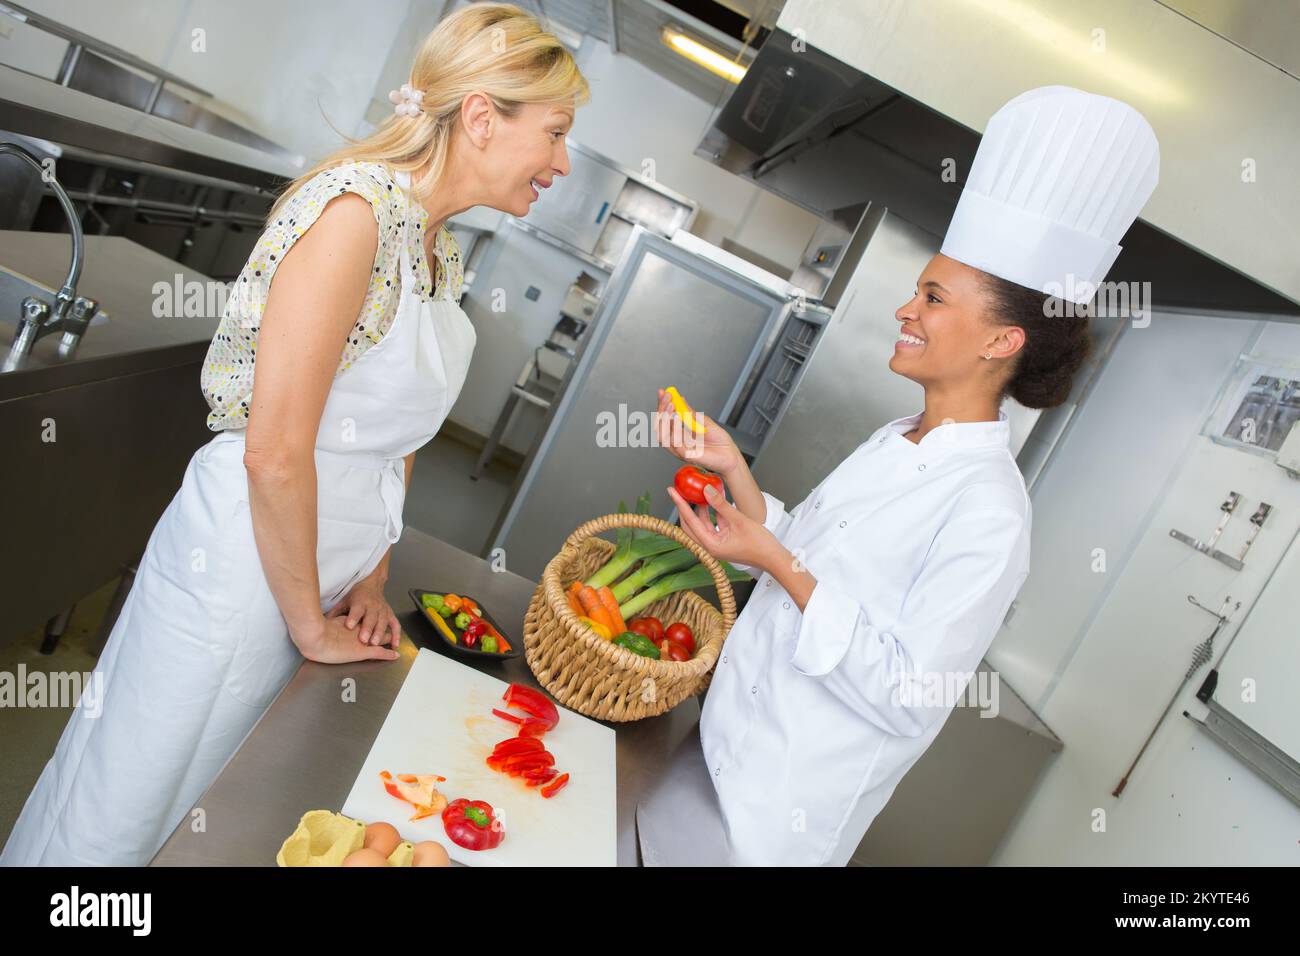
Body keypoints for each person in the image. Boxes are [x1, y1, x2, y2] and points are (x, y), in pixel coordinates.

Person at [1, 2, 587, 867]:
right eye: (557, 133)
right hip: (244, 568)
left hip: (327, 566)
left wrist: (371, 576)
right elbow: (275, 449)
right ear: (480, 116)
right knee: (129, 800)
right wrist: (309, 625)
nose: (564, 163)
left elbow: (401, 428)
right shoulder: (354, 217)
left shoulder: (437, 248)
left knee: (215, 805)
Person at [657, 86, 1160, 865]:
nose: (905, 309)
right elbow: (813, 556)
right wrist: (735, 472)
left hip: (768, 817)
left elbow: (905, 692)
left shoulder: (990, 510)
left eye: (931, 296)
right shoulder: (899, 436)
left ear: (1001, 341)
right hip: (712, 748)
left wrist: (774, 563)